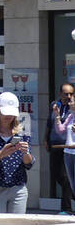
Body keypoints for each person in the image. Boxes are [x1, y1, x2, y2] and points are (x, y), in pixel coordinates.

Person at [48, 83, 75, 215]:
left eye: (71, 94)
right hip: (58, 146)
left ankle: (67, 208)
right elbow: (56, 127)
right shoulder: (56, 106)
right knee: (58, 175)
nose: (69, 97)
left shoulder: (72, 111)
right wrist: (46, 139)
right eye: (66, 94)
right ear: (60, 94)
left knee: (67, 178)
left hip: (70, 148)